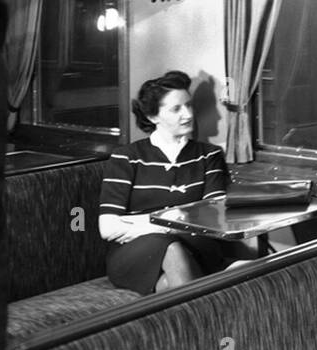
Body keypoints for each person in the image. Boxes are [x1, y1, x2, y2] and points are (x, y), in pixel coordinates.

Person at [99, 70, 231, 294]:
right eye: (176, 109)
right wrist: (172, 220)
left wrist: (146, 223)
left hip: (196, 246)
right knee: (171, 249)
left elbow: (215, 216)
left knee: (172, 279)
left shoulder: (209, 156)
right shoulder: (126, 157)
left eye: (189, 105)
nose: (188, 114)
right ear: (153, 117)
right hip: (135, 252)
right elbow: (108, 227)